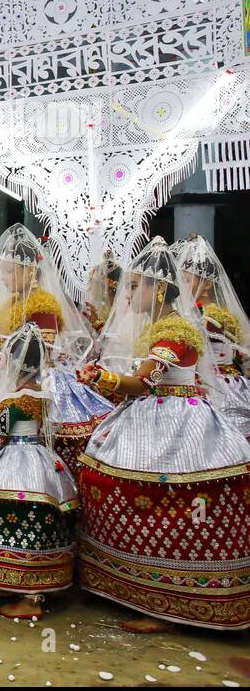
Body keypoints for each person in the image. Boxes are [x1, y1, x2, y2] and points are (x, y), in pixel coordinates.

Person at [76, 236, 250, 632]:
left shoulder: (176, 332)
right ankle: (139, 589)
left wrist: (102, 377)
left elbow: (145, 384)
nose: (128, 293)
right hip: (151, 417)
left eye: (137, 286)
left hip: (176, 425)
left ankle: (173, 604)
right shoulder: (158, 330)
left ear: (159, 292)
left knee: (164, 497)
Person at [0, 225, 112, 479]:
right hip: (12, 376)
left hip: (38, 380)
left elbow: (38, 356)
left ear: (30, 270)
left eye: (10, 271)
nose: (4, 278)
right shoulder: (11, 305)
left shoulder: (42, 306)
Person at [0, 323, 77, 618]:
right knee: (34, 522)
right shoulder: (42, 395)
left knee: (12, 515)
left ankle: (29, 596)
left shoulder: (16, 402)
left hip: (16, 460)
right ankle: (32, 586)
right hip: (39, 459)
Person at [173, 234, 250, 439]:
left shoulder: (211, 315)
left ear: (206, 284)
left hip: (219, 384)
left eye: (187, 280)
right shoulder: (198, 313)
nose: (182, 286)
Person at [82, 250, 121, 333]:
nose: (89, 288)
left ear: (106, 287)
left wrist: (97, 324)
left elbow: (116, 341)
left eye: (92, 283)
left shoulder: (121, 310)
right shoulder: (100, 308)